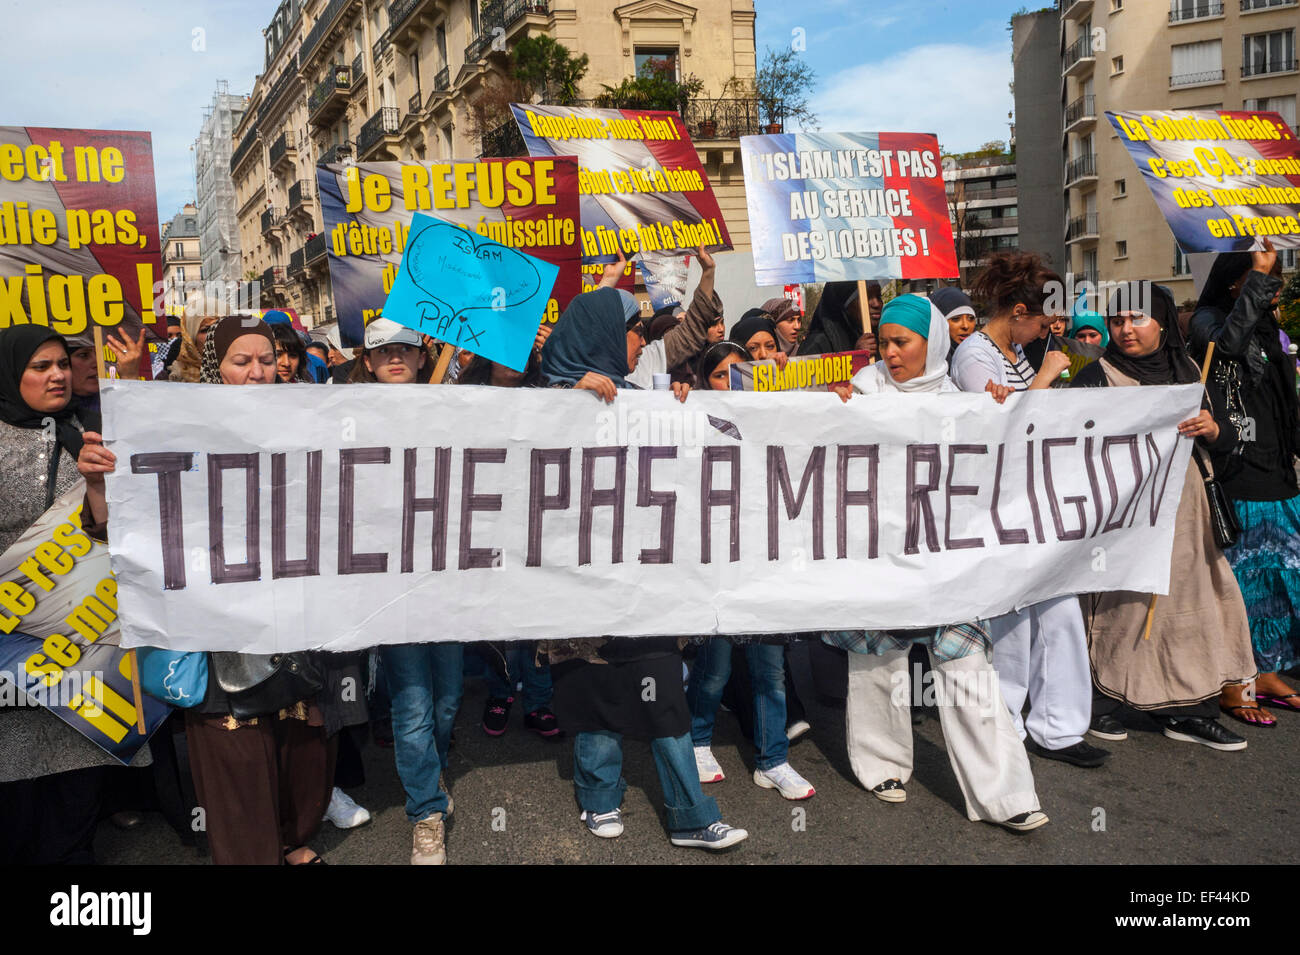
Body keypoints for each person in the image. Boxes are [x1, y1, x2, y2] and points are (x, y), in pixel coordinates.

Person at [539, 287, 747, 850]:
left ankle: (690, 813)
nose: (642, 341)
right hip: (579, 583)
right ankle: (599, 798)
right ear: (604, 335)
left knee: (666, 697)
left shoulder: (638, 396)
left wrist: (680, 405)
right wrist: (565, 399)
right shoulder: (543, 398)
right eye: (635, 331)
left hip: (643, 581)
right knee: (595, 693)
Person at [831, 294, 1047, 831]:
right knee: (877, 666)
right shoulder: (860, 393)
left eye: (901, 341)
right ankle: (881, 764)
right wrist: (826, 411)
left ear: (932, 344)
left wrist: (998, 408)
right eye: (884, 343)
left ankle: (1007, 795)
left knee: (968, 669)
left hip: (948, 562)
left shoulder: (960, 398)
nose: (891, 352)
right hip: (879, 557)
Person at [1070, 282, 1256, 749]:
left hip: (1188, 511)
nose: (1126, 329)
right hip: (1125, 514)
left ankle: (1190, 708)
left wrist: (1213, 428)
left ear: (1162, 323)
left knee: (1190, 606)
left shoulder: (1192, 368)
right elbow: (1068, 447)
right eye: (1116, 321)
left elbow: (1229, 432)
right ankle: (1105, 702)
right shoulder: (1096, 377)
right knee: (1123, 606)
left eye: (1137, 318)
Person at [0, 327, 155, 864]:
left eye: (62, 364)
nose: (59, 374)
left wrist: (96, 489)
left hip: (83, 646)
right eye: (41, 366)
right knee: (16, 803)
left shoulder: (86, 437)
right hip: (10, 652)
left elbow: (126, 532)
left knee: (74, 800)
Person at [952, 252, 1107, 769]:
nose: (1048, 330)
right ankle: (1010, 722)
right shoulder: (976, 356)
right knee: (1012, 624)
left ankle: (1058, 728)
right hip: (997, 506)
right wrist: (1045, 375)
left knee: (1059, 613)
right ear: (1019, 311)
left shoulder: (1014, 351)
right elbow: (998, 431)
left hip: (1035, 503)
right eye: (1042, 321)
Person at [346, 319, 464, 863]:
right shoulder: (343, 417)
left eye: (405, 350)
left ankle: (431, 781)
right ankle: (426, 812)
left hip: (447, 580)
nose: (395, 358)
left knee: (446, 701)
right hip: (390, 584)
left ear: (422, 357)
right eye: (383, 351)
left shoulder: (454, 406)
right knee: (412, 705)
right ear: (367, 363)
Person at [685, 340, 817, 801]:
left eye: (739, 372)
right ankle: (698, 741)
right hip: (719, 565)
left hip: (766, 564)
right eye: (720, 375)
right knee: (715, 667)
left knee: (770, 669)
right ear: (706, 381)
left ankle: (773, 759)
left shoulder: (774, 414)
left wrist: (792, 381)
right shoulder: (692, 418)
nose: (730, 382)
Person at [1187, 239, 1300, 721]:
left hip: (1276, 465)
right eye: (1259, 281)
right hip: (1237, 464)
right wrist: (1260, 276)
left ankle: (1269, 668)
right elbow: (1228, 347)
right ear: (1236, 281)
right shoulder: (1207, 321)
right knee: (1244, 578)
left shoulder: (1269, 327)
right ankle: (1236, 678)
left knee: (1283, 573)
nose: (1272, 291)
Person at [159, 313, 219, 383]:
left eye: (179, 335)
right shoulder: (173, 374)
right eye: (205, 330)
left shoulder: (227, 369)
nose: (212, 334)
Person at [930, 286, 976, 364]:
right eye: (956, 319)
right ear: (939, 322)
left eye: (971, 318)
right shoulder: (928, 365)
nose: (966, 326)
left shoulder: (983, 354)